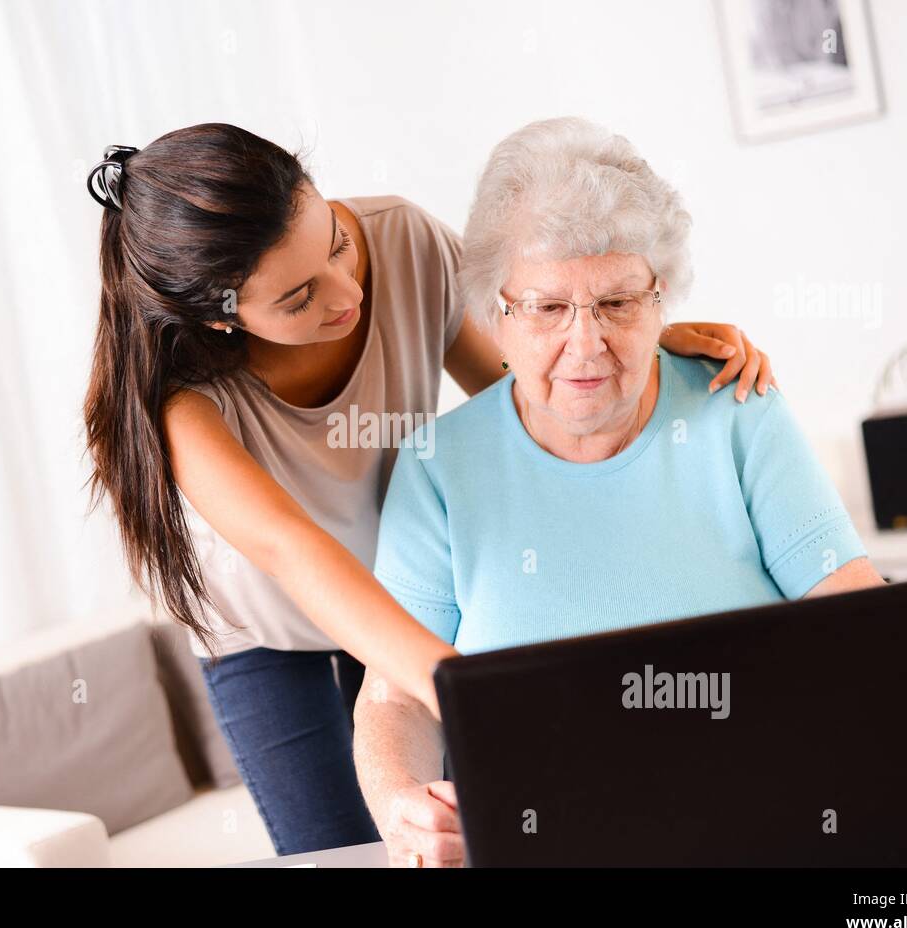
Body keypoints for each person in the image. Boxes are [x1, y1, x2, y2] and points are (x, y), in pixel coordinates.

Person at [83, 122, 777, 855]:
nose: (348, 290)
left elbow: (522, 384)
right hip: (269, 634)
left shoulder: (404, 239)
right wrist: (480, 691)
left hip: (407, 578)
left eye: (337, 242)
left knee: (455, 828)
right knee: (338, 845)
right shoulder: (183, 401)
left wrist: (617, 338)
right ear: (220, 317)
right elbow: (293, 551)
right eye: (297, 297)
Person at [354, 116, 884, 867]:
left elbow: (850, 606)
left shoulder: (735, 406)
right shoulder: (439, 465)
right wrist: (399, 799)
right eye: (547, 307)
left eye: (617, 302)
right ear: (493, 315)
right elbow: (396, 694)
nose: (586, 342)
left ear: (661, 299)